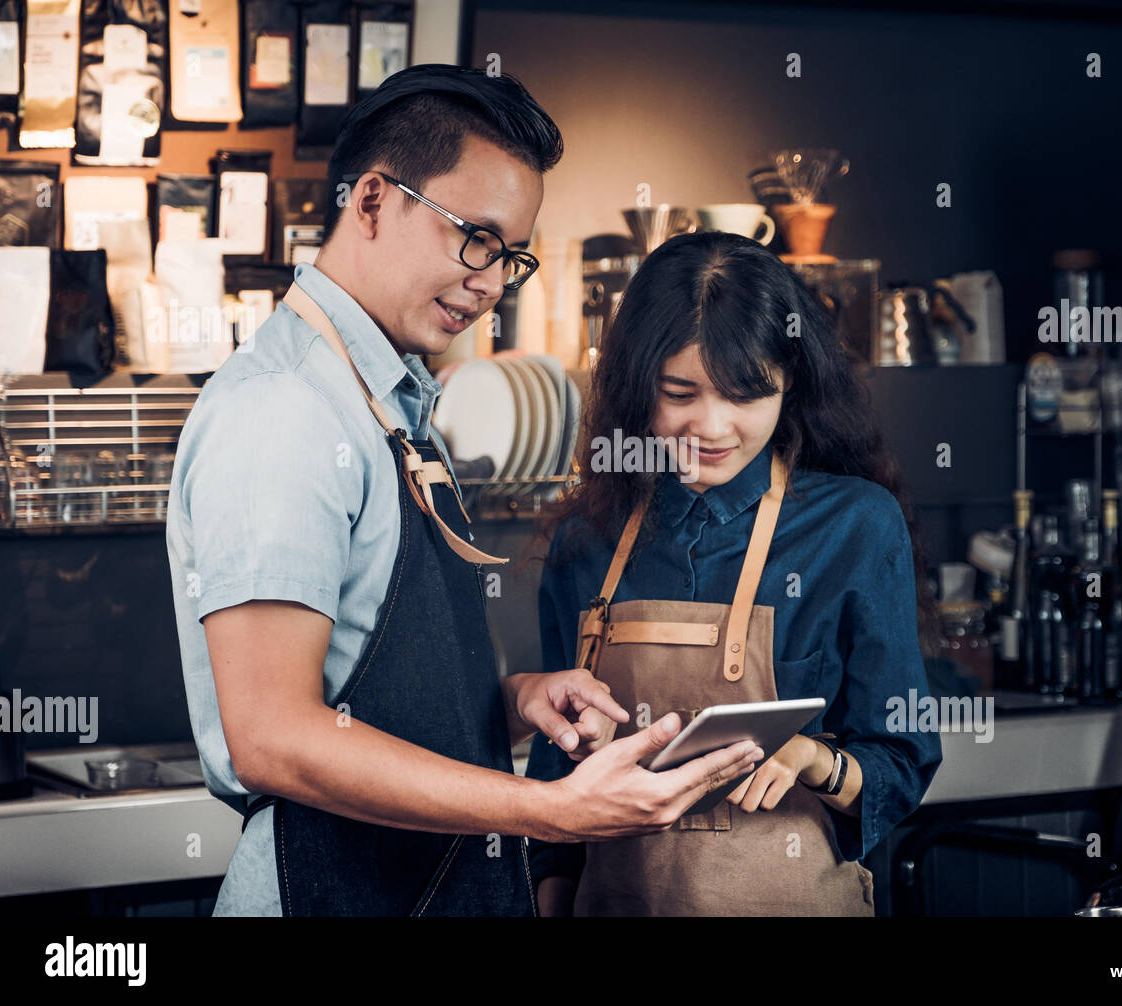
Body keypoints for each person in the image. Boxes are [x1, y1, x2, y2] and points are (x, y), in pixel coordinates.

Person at [165, 65, 760, 917]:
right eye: (475, 239)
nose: (491, 284)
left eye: (511, 257)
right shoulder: (284, 410)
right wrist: (553, 810)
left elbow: (374, 686)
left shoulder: (390, 402)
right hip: (330, 889)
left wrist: (512, 701)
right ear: (371, 201)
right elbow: (273, 739)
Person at [526, 230, 944, 916]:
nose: (711, 426)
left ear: (790, 383)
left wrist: (814, 760)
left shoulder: (855, 527)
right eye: (680, 392)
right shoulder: (585, 540)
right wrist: (549, 899)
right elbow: (554, 775)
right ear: (637, 387)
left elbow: (901, 762)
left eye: (745, 394)